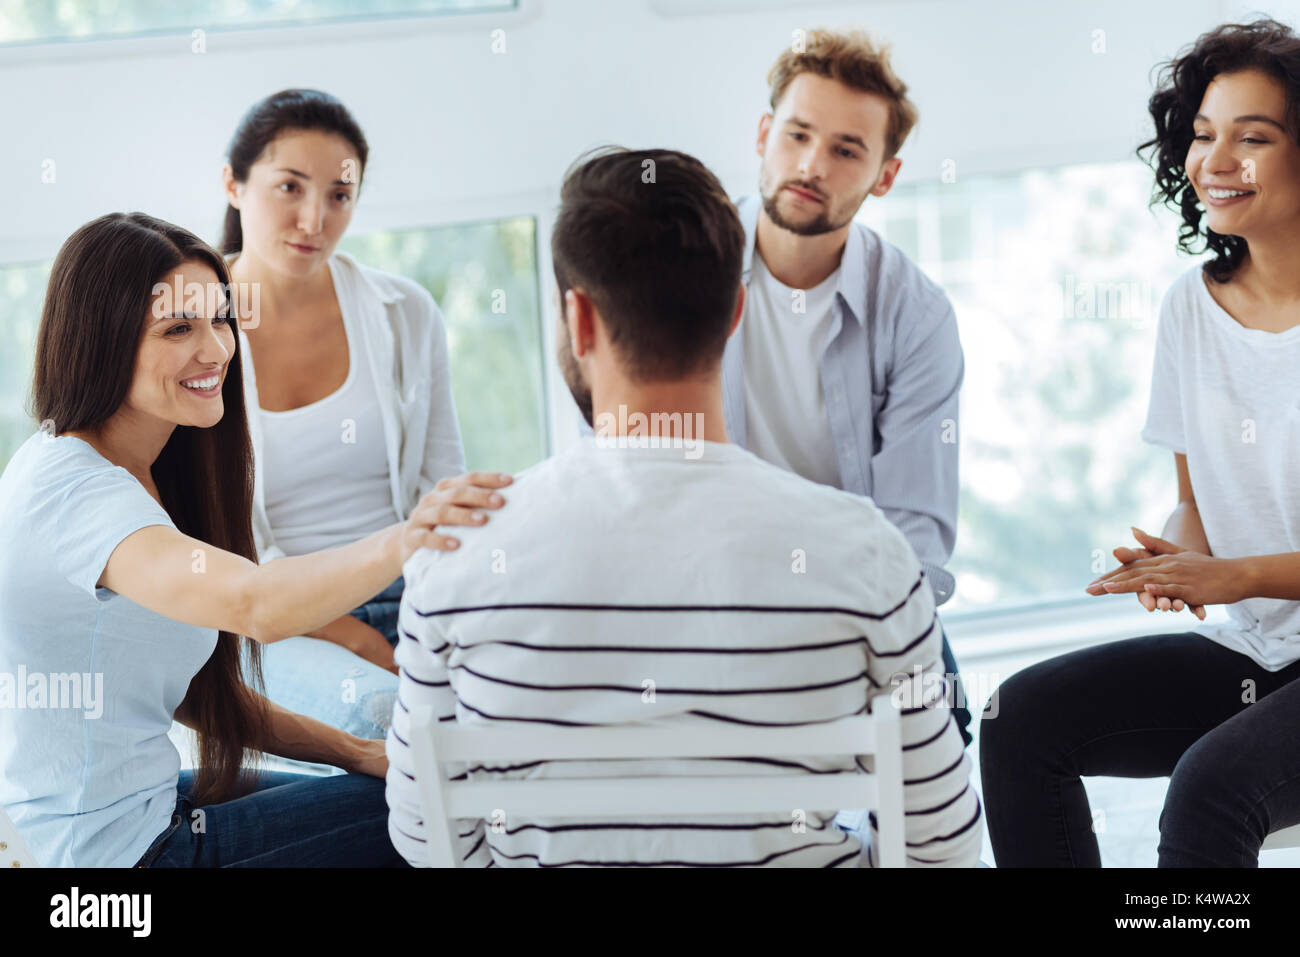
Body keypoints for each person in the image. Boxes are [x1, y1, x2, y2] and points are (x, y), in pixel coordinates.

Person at [384, 147, 981, 868]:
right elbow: (940, 845)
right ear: (735, 311)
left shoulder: (455, 556)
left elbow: (426, 839)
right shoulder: (869, 554)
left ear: (578, 320)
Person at [0, 212, 507, 867]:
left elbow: (193, 696)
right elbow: (257, 603)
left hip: (146, 811)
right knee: (426, 814)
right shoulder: (73, 490)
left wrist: (358, 753)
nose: (216, 349)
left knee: (397, 785)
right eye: (179, 328)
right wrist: (408, 537)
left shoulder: (134, 473)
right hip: (124, 860)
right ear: (103, 342)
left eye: (220, 318)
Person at [980, 18, 1300, 867]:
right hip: (1266, 652)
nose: (1216, 160)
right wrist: (1173, 560)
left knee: (1210, 787)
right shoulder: (1189, 308)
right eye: (1202, 135)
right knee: (1020, 719)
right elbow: (1197, 503)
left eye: (1253, 137)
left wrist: (1231, 575)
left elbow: (1238, 561)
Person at [728, 29, 972, 744]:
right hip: (718, 590)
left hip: (856, 598)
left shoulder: (917, 315)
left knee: (946, 721)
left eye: (846, 150)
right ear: (765, 133)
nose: (811, 165)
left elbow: (916, 537)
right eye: (798, 134)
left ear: (884, 176)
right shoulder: (682, 269)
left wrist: (837, 647)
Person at [220, 89, 466, 743]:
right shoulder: (189, 326)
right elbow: (215, 547)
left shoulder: (405, 312)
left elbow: (443, 489)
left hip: (414, 589)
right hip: (283, 620)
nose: (314, 219)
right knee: (389, 715)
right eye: (290, 187)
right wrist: (351, 635)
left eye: (339, 194)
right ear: (233, 183)